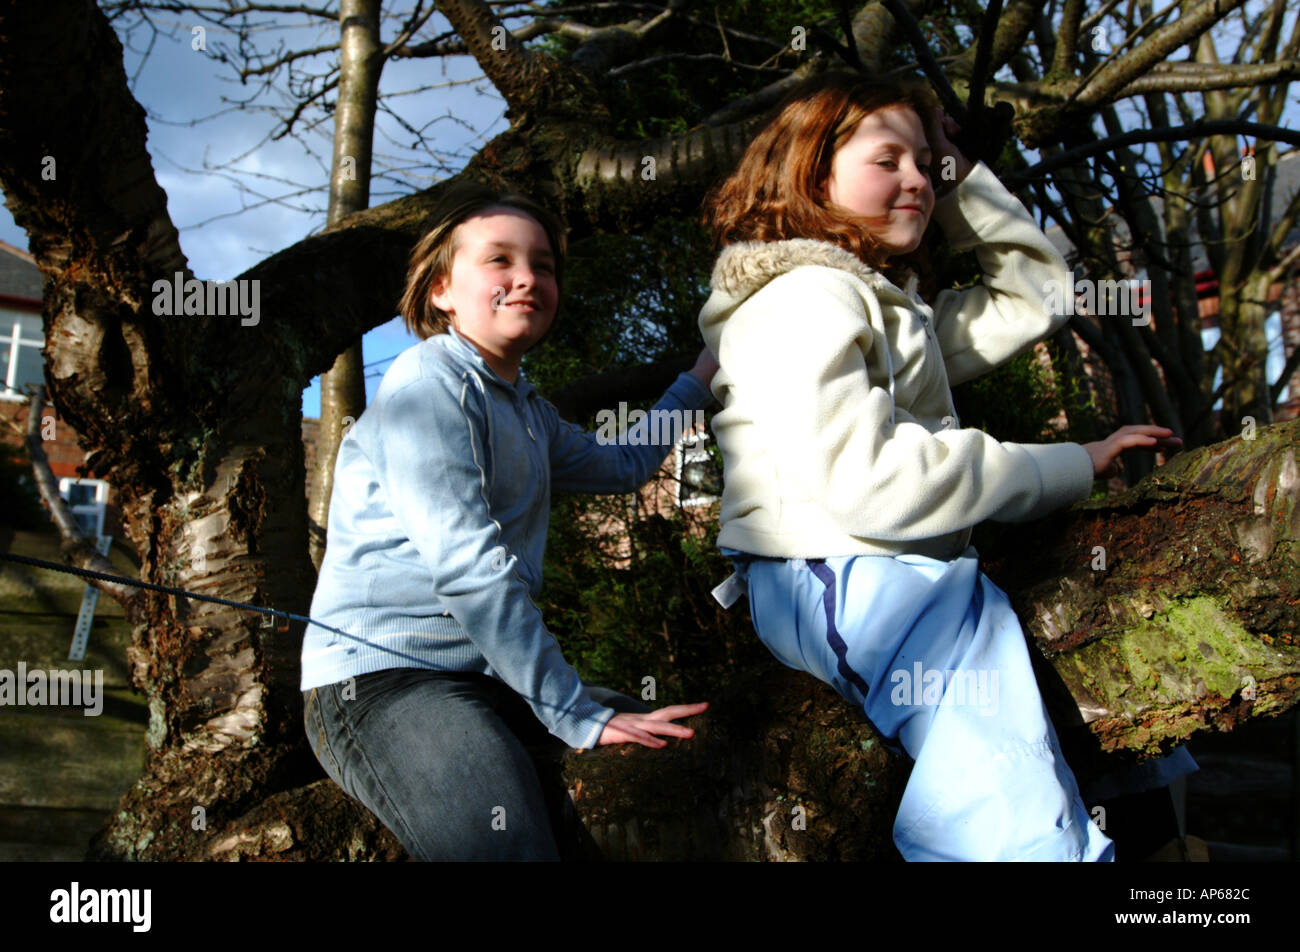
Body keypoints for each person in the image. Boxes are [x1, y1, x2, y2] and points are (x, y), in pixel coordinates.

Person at [697, 72, 1184, 861]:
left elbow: (1036, 292)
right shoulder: (804, 298)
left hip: (885, 560)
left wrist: (960, 167)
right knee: (987, 750)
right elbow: (873, 484)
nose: (919, 179)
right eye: (887, 160)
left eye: (928, 164)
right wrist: (1071, 464)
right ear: (811, 172)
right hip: (832, 567)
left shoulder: (888, 308)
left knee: (1059, 693)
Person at [301, 182, 712, 860]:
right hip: (382, 683)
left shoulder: (524, 408)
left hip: (484, 679)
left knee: (667, 746)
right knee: (512, 844)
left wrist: (697, 377)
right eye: (499, 260)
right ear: (441, 290)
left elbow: (621, 468)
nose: (526, 278)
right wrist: (575, 713)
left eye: (543, 265)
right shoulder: (429, 389)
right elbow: (472, 573)